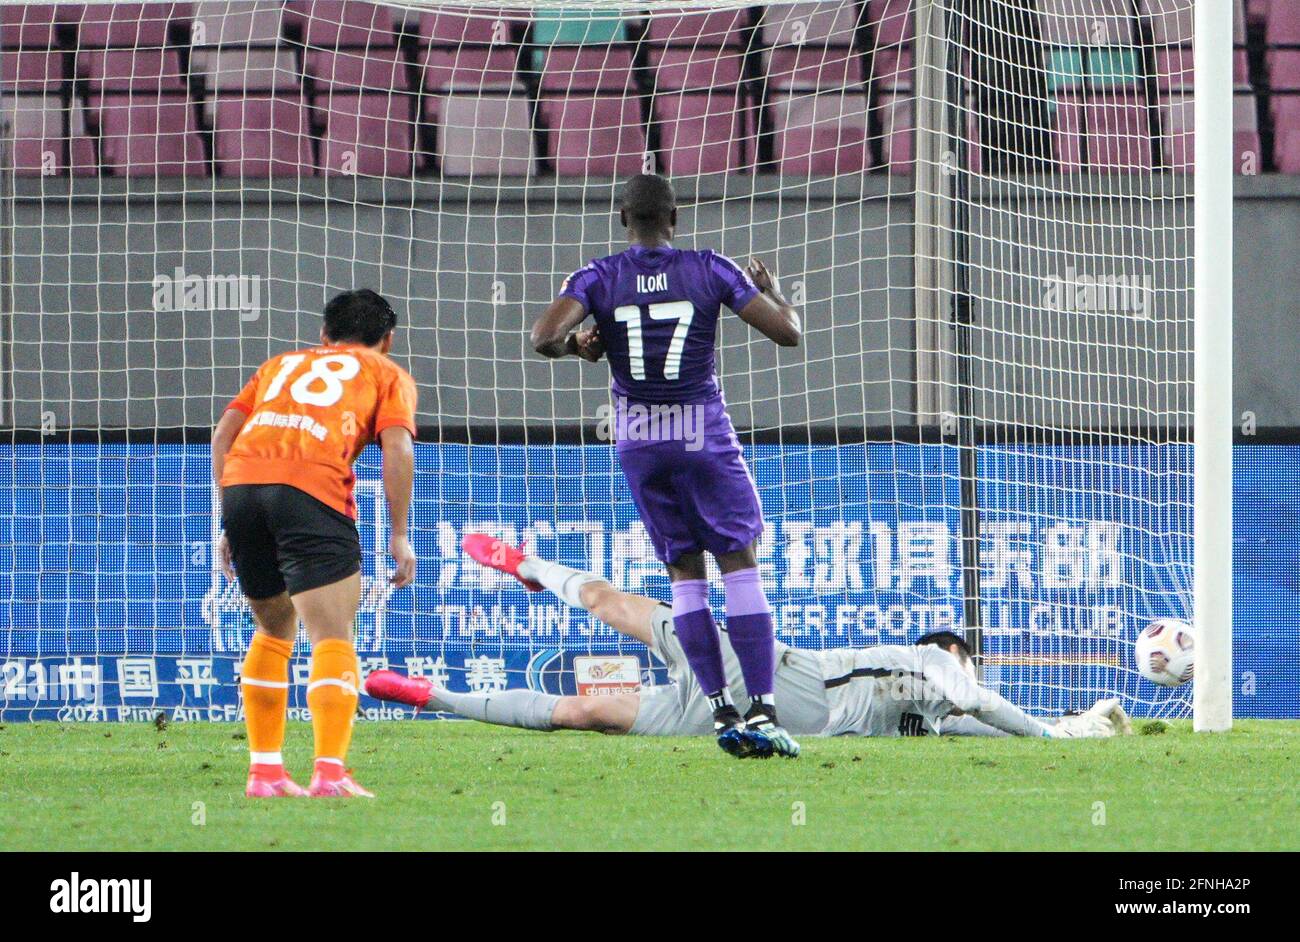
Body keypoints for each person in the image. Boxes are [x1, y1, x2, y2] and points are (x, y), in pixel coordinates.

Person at [528, 173, 804, 758]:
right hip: (699, 428)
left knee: (684, 571)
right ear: (674, 219)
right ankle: (761, 706)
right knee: (738, 561)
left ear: (623, 219)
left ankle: (718, 708)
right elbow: (788, 335)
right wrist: (776, 292)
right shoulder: (709, 268)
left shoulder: (599, 275)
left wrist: (576, 348)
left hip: (638, 439)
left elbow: (542, 337)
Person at [363, 536, 1132, 746]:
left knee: (585, 714)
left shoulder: (932, 713)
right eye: (967, 660)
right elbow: (989, 703)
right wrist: (1056, 741)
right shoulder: (930, 664)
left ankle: (428, 693)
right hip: (778, 682)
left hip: (727, 714)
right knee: (629, 611)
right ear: (949, 650)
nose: (967, 672)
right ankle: (526, 563)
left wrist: (1080, 727)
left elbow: (977, 720)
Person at [213, 289, 418, 798]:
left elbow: (223, 436)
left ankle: (265, 773)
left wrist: (227, 521)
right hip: (310, 487)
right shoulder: (386, 373)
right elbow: (398, 446)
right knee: (331, 634)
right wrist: (397, 534)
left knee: (274, 630)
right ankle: (329, 773)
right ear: (387, 341)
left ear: (323, 336)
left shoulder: (279, 364)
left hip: (242, 487)